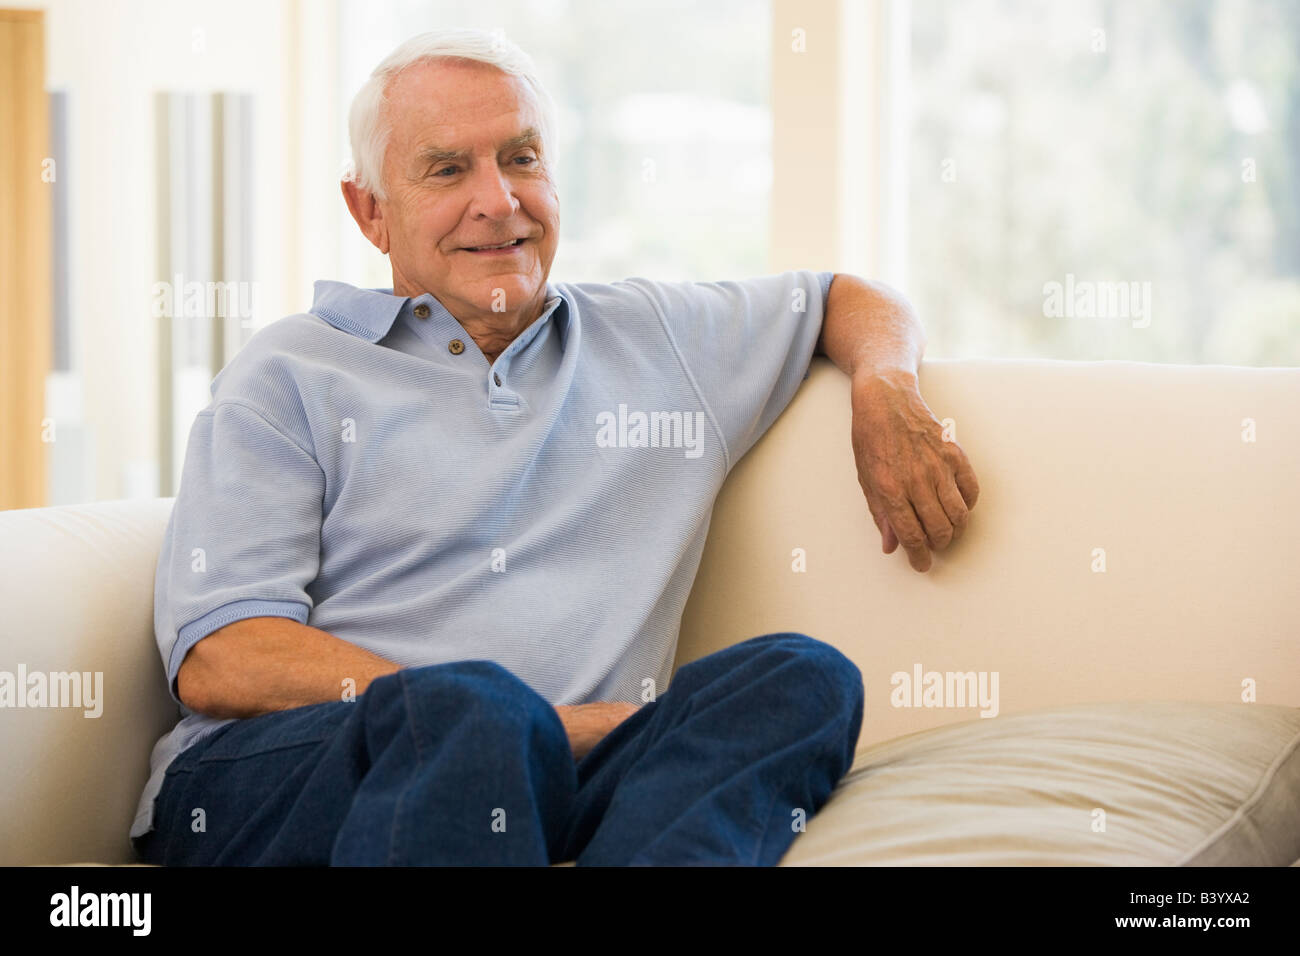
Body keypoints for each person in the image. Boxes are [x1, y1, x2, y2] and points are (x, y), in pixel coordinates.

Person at [130, 28, 980, 866]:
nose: (499, 200)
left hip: (556, 774)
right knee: (473, 713)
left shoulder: (656, 340)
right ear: (371, 212)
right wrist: (529, 720)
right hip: (290, 773)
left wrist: (885, 386)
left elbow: (843, 297)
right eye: (448, 169)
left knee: (801, 678)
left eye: (522, 158)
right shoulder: (290, 371)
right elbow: (222, 655)